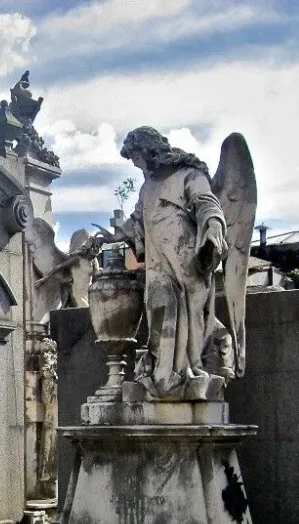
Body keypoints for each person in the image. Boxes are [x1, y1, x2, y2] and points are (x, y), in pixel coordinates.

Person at [115, 126, 229, 400]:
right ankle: (163, 375)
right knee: (158, 305)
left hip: (185, 257)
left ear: (148, 149)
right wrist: (113, 235)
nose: (135, 164)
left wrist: (213, 225)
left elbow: (207, 202)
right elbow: (136, 222)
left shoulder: (189, 174)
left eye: (136, 157)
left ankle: (187, 372)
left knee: (190, 312)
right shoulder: (147, 187)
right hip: (158, 261)